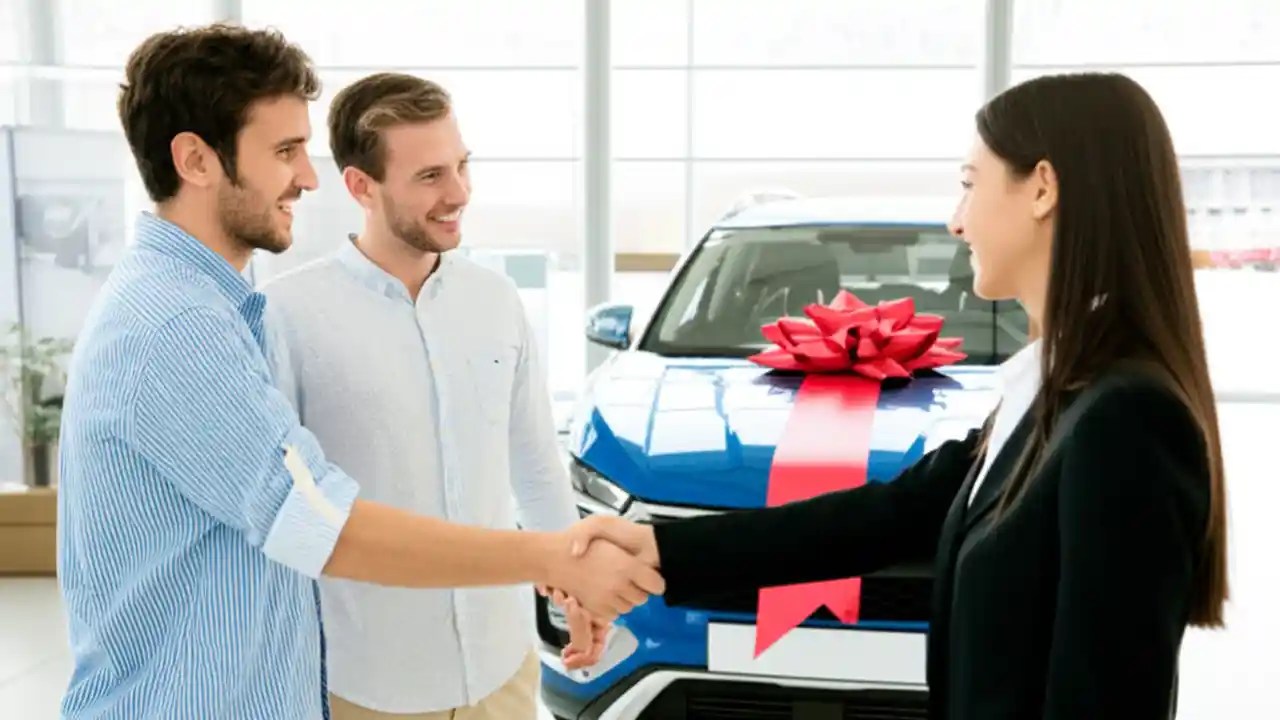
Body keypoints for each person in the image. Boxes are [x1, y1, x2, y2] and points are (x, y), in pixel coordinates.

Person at [558, 71, 1229, 718]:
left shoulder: (1125, 417)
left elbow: (1104, 698)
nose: (957, 222)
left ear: (1043, 188)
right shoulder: (1058, 390)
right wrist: (656, 548)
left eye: (970, 185)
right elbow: (893, 514)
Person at [55, 25, 658, 720]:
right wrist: (554, 561)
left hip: (470, 664)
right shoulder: (182, 328)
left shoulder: (211, 311)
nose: (307, 177)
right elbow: (325, 527)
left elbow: (526, 461)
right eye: (284, 151)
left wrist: (560, 569)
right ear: (195, 159)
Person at [258, 72, 602, 720]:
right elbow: (280, 513)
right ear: (361, 186)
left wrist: (575, 592)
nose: (459, 193)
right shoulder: (287, 316)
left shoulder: (496, 301)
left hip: (502, 672)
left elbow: (533, 467)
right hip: (365, 687)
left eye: (462, 166)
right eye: (430, 177)